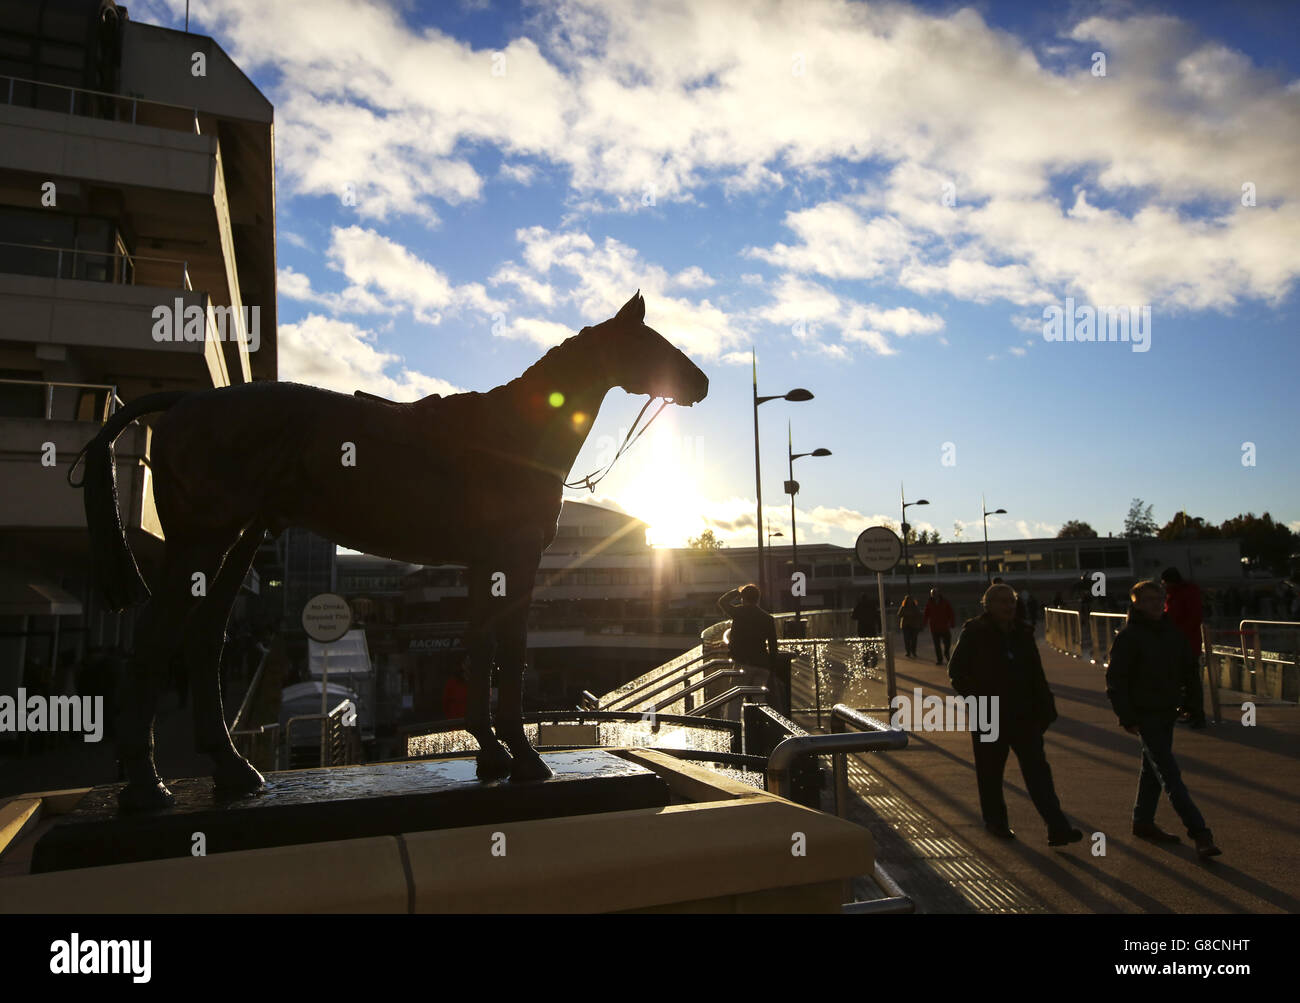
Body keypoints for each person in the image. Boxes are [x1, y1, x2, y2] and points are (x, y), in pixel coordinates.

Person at [948, 583, 1082, 846]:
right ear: (987, 605)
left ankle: (1058, 827)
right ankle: (996, 822)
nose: (1008, 606)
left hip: (1024, 714)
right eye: (1001, 602)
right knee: (990, 773)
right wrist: (978, 700)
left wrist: (1046, 707)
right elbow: (956, 672)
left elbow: (1036, 673)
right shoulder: (975, 632)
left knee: (1038, 773)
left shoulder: (1023, 632)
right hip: (988, 715)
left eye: (1011, 601)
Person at [1105, 581, 1221, 857]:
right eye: (1147, 600)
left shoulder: (1172, 633)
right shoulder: (1129, 637)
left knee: (1152, 769)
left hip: (1167, 710)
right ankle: (1200, 833)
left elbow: (1189, 670)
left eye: (1159, 598)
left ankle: (1142, 821)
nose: (1155, 604)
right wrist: (1127, 716)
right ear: (1137, 604)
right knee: (1169, 774)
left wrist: (1194, 706)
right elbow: (1115, 680)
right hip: (1145, 715)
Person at [717, 584, 786, 714]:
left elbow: (722, 601)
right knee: (759, 700)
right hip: (762, 665)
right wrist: (771, 668)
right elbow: (773, 647)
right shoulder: (767, 618)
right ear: (758, 599)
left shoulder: (738, 612)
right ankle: (761, 727)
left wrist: (737, 591)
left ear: (743, 598)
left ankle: (733, 730)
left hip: (743, 663)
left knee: (735, 699)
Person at [1160, 567, 1205, 728]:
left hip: (1185, 644)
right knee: (1185, 680)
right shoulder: (1179, 593)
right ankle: (1189, 711)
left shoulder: (1182, 594)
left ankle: (1195, 714)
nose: (1163, 586)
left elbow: (1192, 618)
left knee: (1190, 681)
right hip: (1182, 643)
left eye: (1164, 583)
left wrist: (1175, 634)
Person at [922, 588, 956, 664]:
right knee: (937, 645)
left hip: (944, 626)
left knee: (947, 642)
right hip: (934, 627)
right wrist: (923, 624)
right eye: (932, 594)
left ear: (938, 594)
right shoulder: (929, 603)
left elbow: (950, 613)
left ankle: (946, 652)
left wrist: (952, 623)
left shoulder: (945, 602)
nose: (934, 595)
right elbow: (926, 615)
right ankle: (939, 659)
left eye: (935, 593)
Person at [897, 594, 923, 658]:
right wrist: (906, 614)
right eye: (908, 600)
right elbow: (899, 614)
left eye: (910, 600)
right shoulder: (903, 607)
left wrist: (920, 624)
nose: (909, 601)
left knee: (914, 640)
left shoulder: (915, 607)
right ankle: (908, 652)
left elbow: (919, 615)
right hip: (906, 626)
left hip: (914, 626)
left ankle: (913, 651)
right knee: (907, 640)